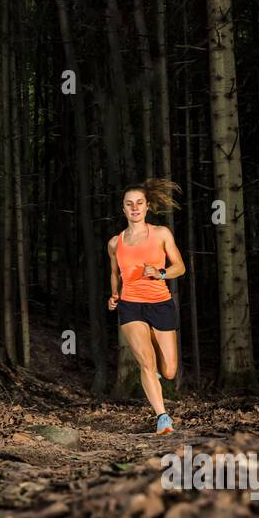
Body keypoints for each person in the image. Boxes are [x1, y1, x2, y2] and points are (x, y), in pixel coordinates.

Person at [106, 179, 186, 434]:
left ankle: (153, 338)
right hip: (131, 306)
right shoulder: (115, 243)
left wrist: (161, 273)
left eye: (139, 203)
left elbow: (180, 267)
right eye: (129, 204)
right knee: (146, 363)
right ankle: (163, 417)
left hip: (161, 304)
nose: (135, 207)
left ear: (147, 206)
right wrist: (114, 294)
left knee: (170, 371)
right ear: (123, 209)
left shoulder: (161, 233)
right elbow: (114, 272)